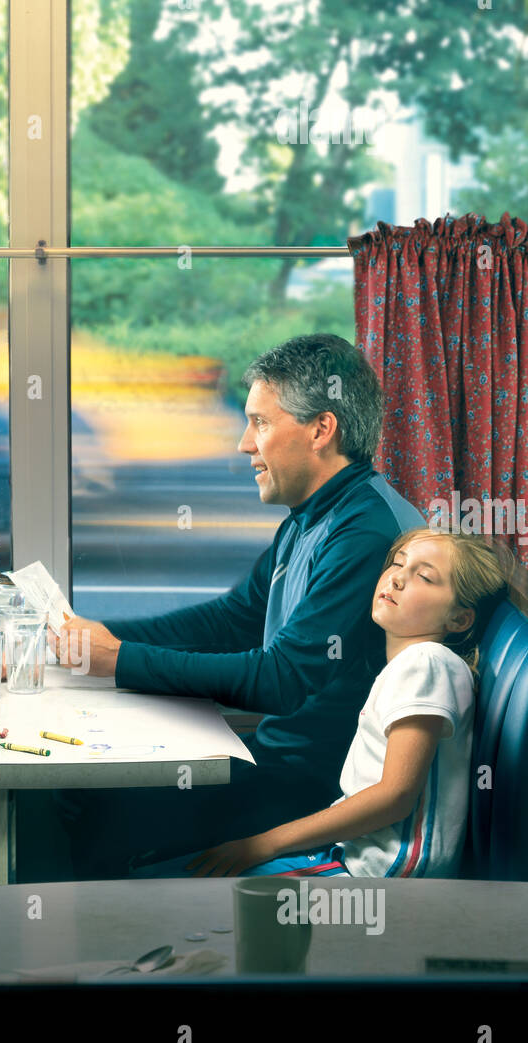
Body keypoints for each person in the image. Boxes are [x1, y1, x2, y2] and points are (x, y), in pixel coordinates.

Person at [52, 334, 426, 879]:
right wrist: (103, 640)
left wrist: (119, 658)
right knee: (89, 788)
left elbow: (281, 679)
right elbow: (234, 620)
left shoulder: (363, 533)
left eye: (261, 423)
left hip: (312, 787)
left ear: (321, 430)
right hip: (277, 758)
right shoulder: (313, 513)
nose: (244, 444)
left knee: (95, 805)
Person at [134, 529, 512, 881]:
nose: (397, 578)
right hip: (354, 860)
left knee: (164, 884)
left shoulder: (426, 662)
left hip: (378, 877)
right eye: (397, 563)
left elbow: (395, 796)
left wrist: (261, 844)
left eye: (424, 577)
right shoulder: (411, 666)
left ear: (460, 619)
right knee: (166, 876)